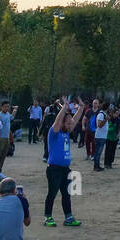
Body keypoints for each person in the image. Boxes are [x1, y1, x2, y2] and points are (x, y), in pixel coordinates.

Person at [44, 97, 84, 226]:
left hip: (65, 169)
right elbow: (57, 121)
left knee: (66, 194)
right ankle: (48, 217)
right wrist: (64, 107)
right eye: (67, 122)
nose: (70, 124)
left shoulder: (66, 133)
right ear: (61, 123)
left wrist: (81, 108)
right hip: (54, 169)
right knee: (52, 193)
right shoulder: (54, 132)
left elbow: (75, 120)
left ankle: (68, 217)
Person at [93, 103, 109, 172]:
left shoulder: (102, 114)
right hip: (100, 136)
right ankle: (96, 166)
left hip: (101, 136)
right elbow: (99, 125)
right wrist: (106, 120)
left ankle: (97, 165)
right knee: (98, 152)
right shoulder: (101, 115)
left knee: (98, 152)